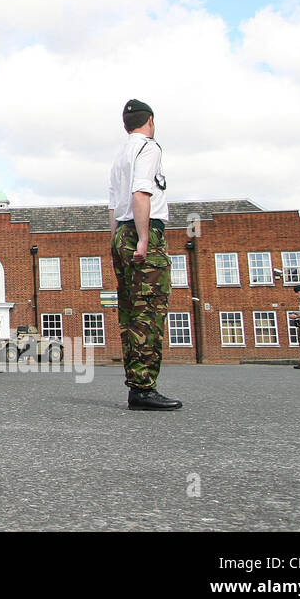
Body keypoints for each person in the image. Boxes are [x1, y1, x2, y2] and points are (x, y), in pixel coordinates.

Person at [108, 100, 180, 410]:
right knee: (149, 312)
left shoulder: (121, 154)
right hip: (141, 230)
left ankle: (137, 384)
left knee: (130, 313)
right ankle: (143, 388)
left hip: (121, 232)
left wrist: (118, 241)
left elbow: (112, 205)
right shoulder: (149, 148)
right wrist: (144, 238)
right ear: (149, 120)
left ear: (126, 125)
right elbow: (141, 192)